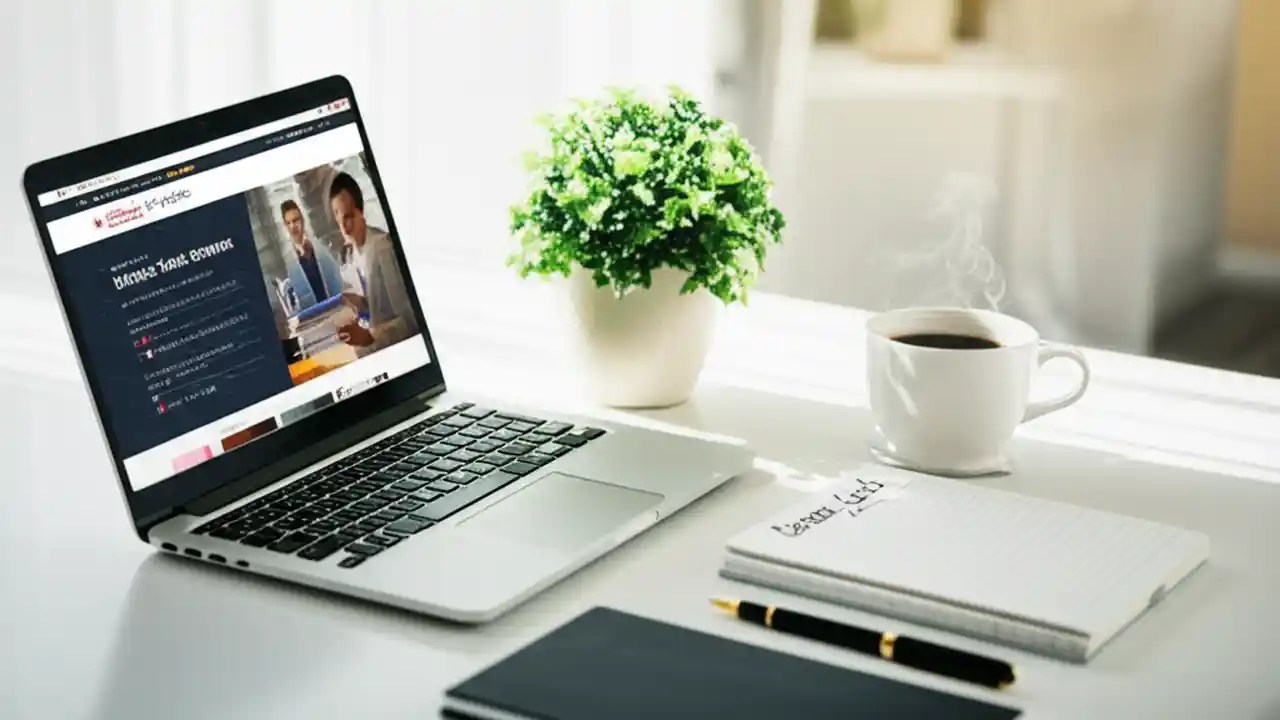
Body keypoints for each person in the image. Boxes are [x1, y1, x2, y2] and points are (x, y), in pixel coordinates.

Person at [329, 172, 417, 355]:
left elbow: (411, 322)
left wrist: (369, 337)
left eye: (348, 217)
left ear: (361, 213)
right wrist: (361, 303)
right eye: (339, 220)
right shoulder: (350, 255)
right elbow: (379, 306)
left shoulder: (383, 248)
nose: (344, 227)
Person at [279, 199, 342, 309]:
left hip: (333, 305)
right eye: (288, 223)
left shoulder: (319, 248)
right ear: (285, 226)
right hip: (312, 314)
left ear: (302, 220)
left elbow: (335, 277)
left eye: (295, 220)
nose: (293, 226)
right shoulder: (290, 260)